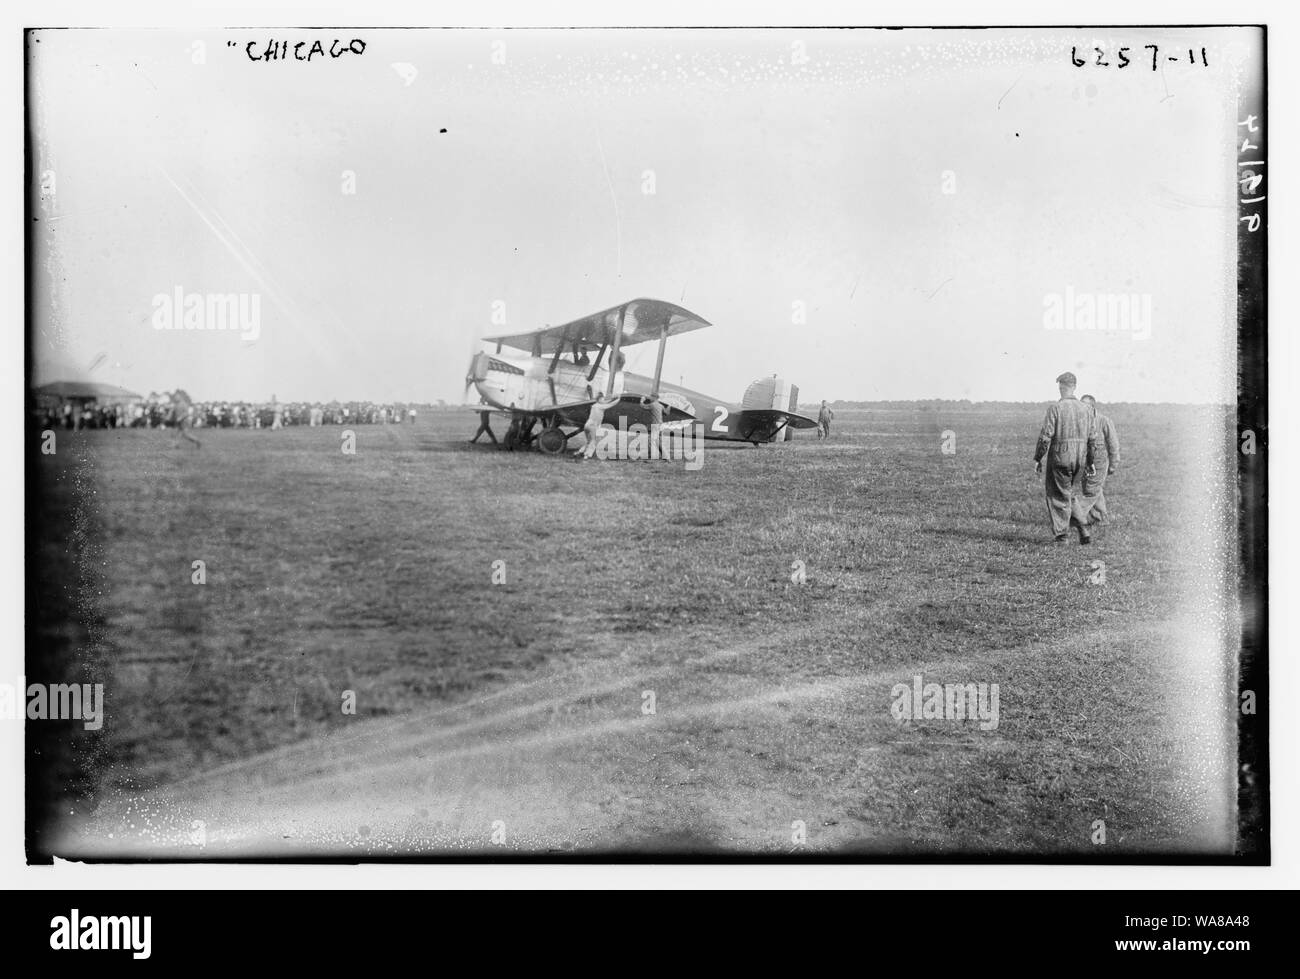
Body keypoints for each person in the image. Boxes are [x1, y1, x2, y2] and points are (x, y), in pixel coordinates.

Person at [1033, 371, 1100, 543]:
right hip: (1081, 458)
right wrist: (1090, 462)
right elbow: (1093, 439)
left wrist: (1038, 458)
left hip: (1060, 457)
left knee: (1057, 495)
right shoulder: (1088, 409)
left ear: (1061, 387)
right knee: (1069, 493)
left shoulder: (1055, 408)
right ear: (1075, 387)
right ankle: (1083, 528)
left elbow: (1045, 436)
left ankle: (1062, 536)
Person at [1080, 395, 1120, 523]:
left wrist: (1113, 464)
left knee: (1091, 489)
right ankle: (1102, 518)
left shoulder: (1104, 420)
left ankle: (1077, 517)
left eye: (1085, 405)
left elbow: (1113, 444)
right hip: (1084, 461)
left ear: (1092, 406)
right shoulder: (1079, 421)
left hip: (1100, 461)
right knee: (1093, 488)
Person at [577, 392, 621, 461]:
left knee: (589, 441)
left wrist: (612, 399)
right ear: (600, 399)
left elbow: (605, 402)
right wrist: (618, 399)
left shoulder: (595, 405)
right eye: (602, 399)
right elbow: (610, 404)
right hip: (593, 425)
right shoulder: (601, 406)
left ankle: (580, 452)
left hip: (587, 425)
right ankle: (587, 455)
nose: (604, 400)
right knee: (594, 441)